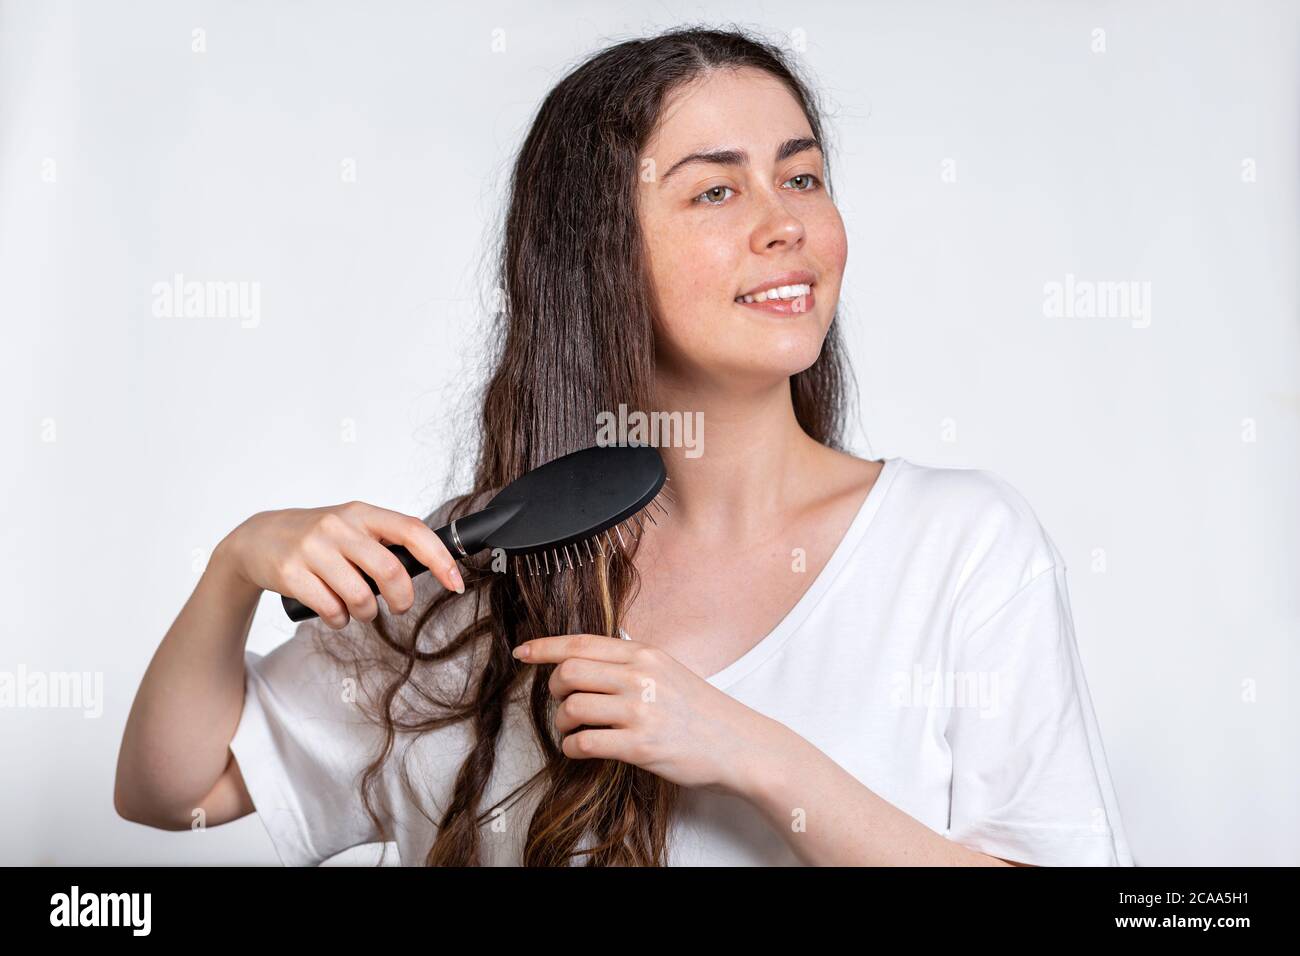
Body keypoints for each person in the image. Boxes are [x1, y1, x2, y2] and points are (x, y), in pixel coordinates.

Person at [115, 26, 1133, 867]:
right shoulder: (470, 566)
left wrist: (753, 754)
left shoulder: (957, 547)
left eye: (804, 177)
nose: (786, 224)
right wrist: (235, 565)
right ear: (596, 253)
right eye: (715, 191)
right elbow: (175, 789)